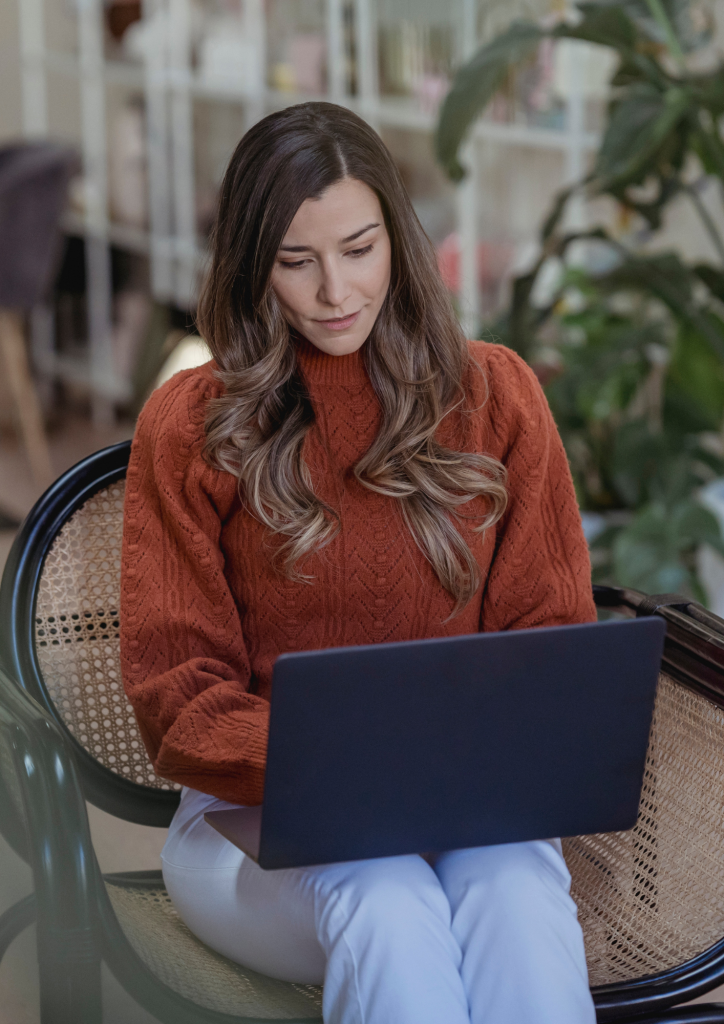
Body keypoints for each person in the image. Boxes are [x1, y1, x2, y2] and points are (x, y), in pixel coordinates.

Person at [120, 101, 597, 1024]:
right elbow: (177, 693)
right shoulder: (192, 423)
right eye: (296, 263)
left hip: (463, 810)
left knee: (516, 889)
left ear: (400, 240)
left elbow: (549, 642)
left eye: (359, 248)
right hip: (246, 823)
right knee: (387, 896)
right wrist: (350, 772)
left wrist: (439, 778)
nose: (335, 291)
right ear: (252, 267)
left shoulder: (495, 394)